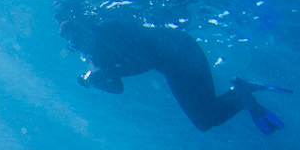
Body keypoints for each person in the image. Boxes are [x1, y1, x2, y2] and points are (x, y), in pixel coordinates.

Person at [58, 10, 285, 134]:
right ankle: (243, 94)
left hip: (182, 54)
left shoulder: (111, 29)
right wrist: (95, 80)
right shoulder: (97, 55)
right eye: (71, 44)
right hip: (174, 63)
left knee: (205, 120)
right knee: (206, 119)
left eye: (76, 37)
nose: (76, 45)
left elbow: (143, 60)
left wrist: (104, 73)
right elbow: (118, 88)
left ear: (85, 26)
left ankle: (242, 94)